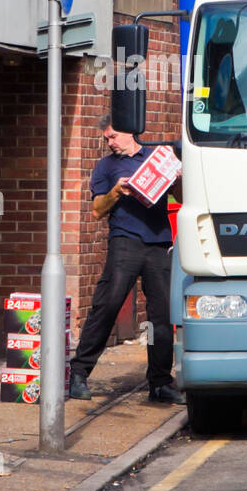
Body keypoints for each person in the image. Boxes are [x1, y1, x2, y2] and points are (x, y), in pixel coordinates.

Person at [68, 114, 184, 404]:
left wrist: (178, 180)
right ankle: (79, 372)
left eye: (113, 137)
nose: (110, 143)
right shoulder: (106, 166)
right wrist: (116, 191)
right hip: (125, 241)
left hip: (159, 243)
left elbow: (180, 196)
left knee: (161, 317)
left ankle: (159, 382)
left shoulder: (157, 157)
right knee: (108, 304)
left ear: (130, 132)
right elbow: (96, 210)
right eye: (106, 138)